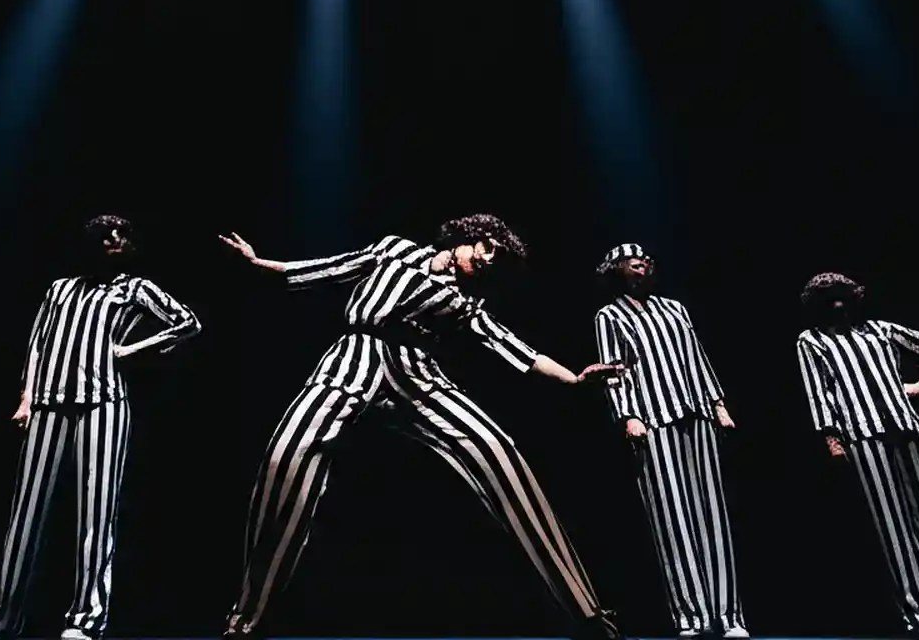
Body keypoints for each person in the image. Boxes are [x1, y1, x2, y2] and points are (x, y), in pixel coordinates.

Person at [217, 213, 626, 640]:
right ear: (466, 238)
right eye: (487, 248)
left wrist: (574, 378)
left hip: (418, 377)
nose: (489, 259)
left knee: (496, 449)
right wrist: (257, 263)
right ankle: (247, 619)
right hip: (354, 357)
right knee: (288, 454)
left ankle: (587, 614)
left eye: (497, 259)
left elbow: (511, 346)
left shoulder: (467, 301)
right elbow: (332, 267)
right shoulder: (395, 248)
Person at [0, 215, 201, 640]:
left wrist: (132, 349)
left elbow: (188, 323)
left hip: (103, 403)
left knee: (97, 512)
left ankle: (87, 618)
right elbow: (38, 343)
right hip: (49, 404)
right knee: (26, 512)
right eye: (104, 235)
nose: (112, 240)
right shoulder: (61, 288)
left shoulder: (135, 287)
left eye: (120, 234)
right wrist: (26, 399)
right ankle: (1, 620)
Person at [795, 272, 919, 639]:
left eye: (841, 295)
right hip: (863, 435)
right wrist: (831, 438)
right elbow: (818, 392)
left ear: (853, 298)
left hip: (907, 426)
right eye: (828, 298)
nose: (837, 303)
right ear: (818, 305)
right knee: (893, 525)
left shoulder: (880, 330)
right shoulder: (812, 341)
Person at [593, 243, 747, 639]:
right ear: (616, 270)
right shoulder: (609, 315)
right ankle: (690, 616)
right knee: (672, 517)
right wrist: (628, 415)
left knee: (712, 512)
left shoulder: (675, 308)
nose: (641, 263)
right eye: (631, 260)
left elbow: (697, 357)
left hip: (695, 411)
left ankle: (729, 616)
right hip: (653, 419)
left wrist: (718, 404)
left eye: (645, 259)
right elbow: (615, 370)